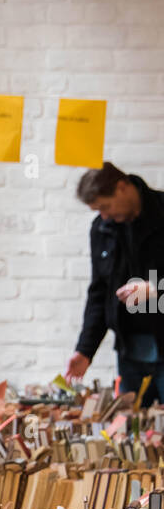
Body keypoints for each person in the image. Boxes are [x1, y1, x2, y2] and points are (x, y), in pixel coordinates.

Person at [66, 162, 164, 405]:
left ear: (122, 187)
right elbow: (99, 292)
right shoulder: (102, 229)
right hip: (129, 354)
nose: (105, 215)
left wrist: (154, 289)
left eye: (105, 207)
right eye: (98, 210)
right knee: (132, 433)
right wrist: (85, 350)